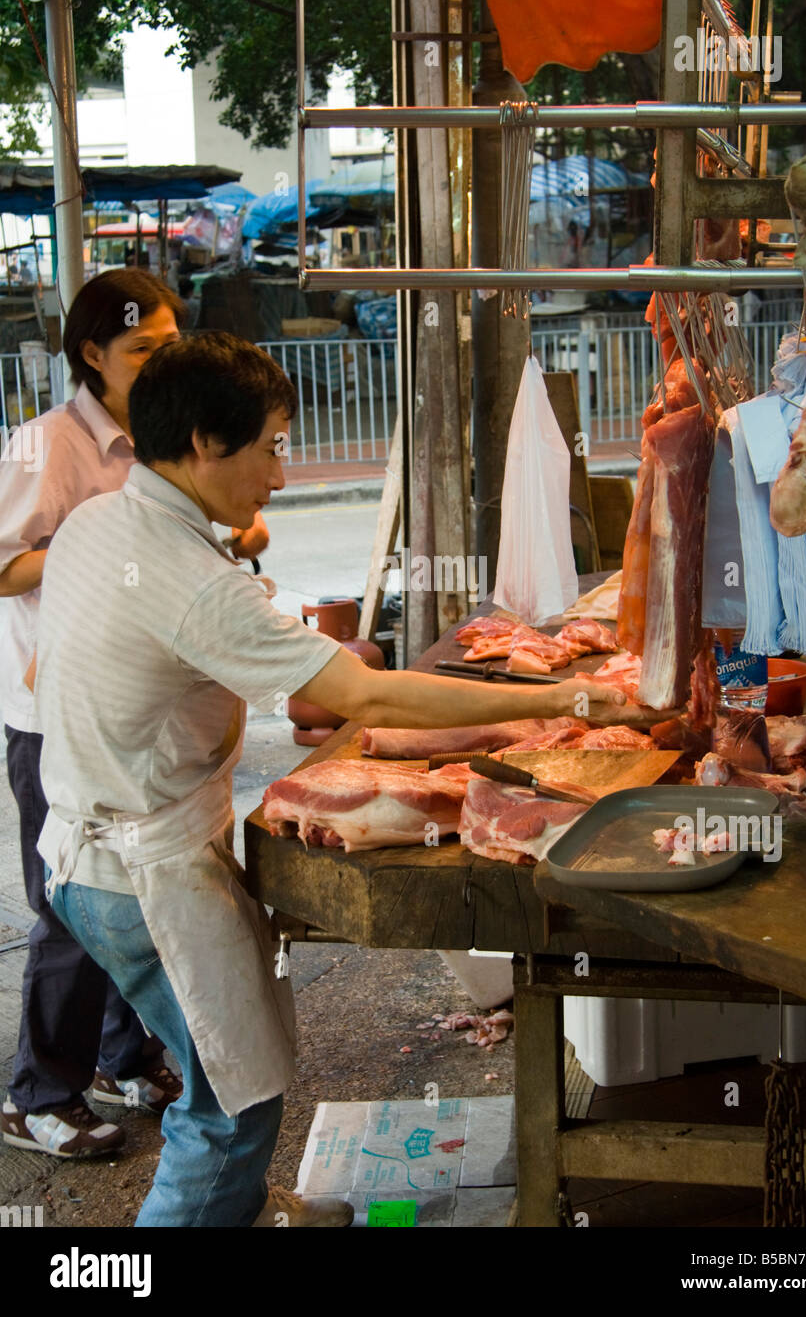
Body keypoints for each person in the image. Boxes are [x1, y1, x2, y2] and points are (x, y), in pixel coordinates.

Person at [33, 331, 643, 1226]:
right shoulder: (187, 576)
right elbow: (358, 694)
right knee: (230, 1106)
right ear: (204, 441)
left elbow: (55, 672)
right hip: (140, 875)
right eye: (272, 446)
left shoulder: (102, 521)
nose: (279, 476)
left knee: (235, 1073)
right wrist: (577, 697)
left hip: (99, 843)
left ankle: (242, 1213)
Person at [0, 269, 187, 1159]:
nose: (161, 361)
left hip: (131, 702)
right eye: (143, 348)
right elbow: (1, 567)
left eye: (168, 343)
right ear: (93, 355)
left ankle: (122, 1057)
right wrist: (89, 538)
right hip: (51, 711)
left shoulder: (155, 436)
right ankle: (38, 1094)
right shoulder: (47, 446)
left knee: (132, 889)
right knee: (71, 905)